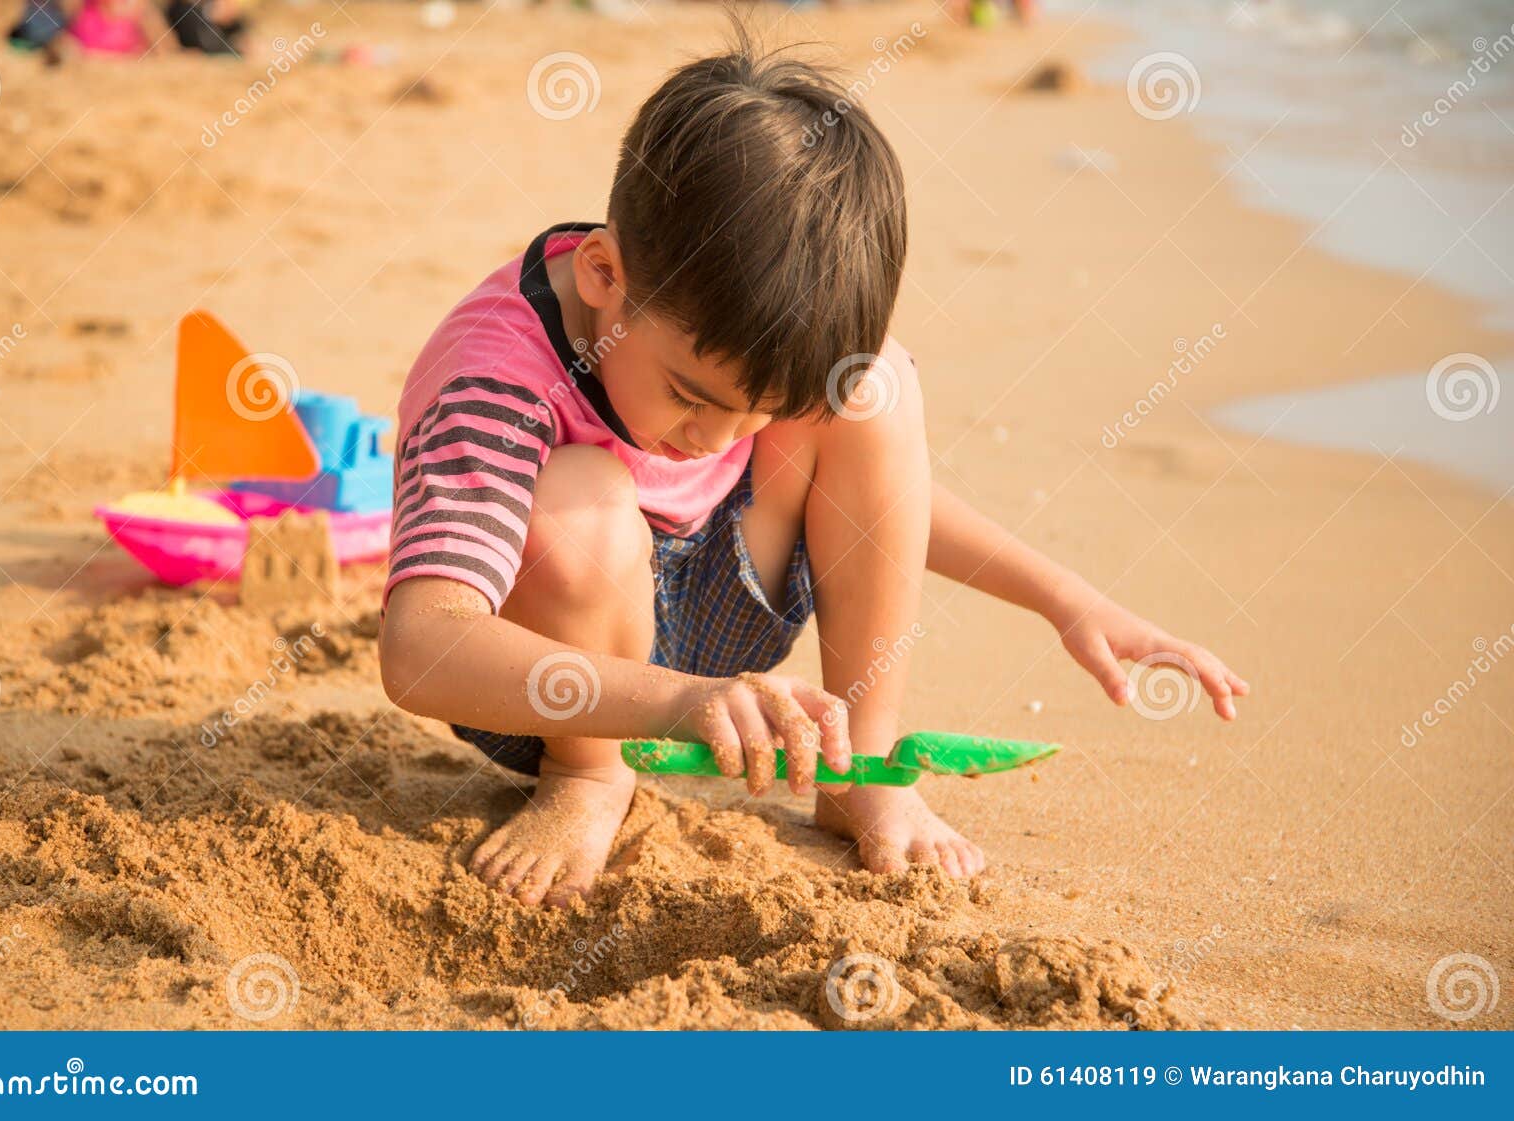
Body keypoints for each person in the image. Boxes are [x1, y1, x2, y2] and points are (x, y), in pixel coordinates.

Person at [379, 31, 1249, 909]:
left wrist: (1066, 598)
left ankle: (859, 767)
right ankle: (589, 778)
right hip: (554, 677)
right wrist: (674, 702)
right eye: (692, 397)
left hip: (718, 625)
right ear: (605, 273)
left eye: (758, 413)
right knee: (583, 494)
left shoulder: (717, 366)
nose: (721, 440)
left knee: (871, 391)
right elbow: (421, 646)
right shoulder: (493, 378)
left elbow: (874, 498)